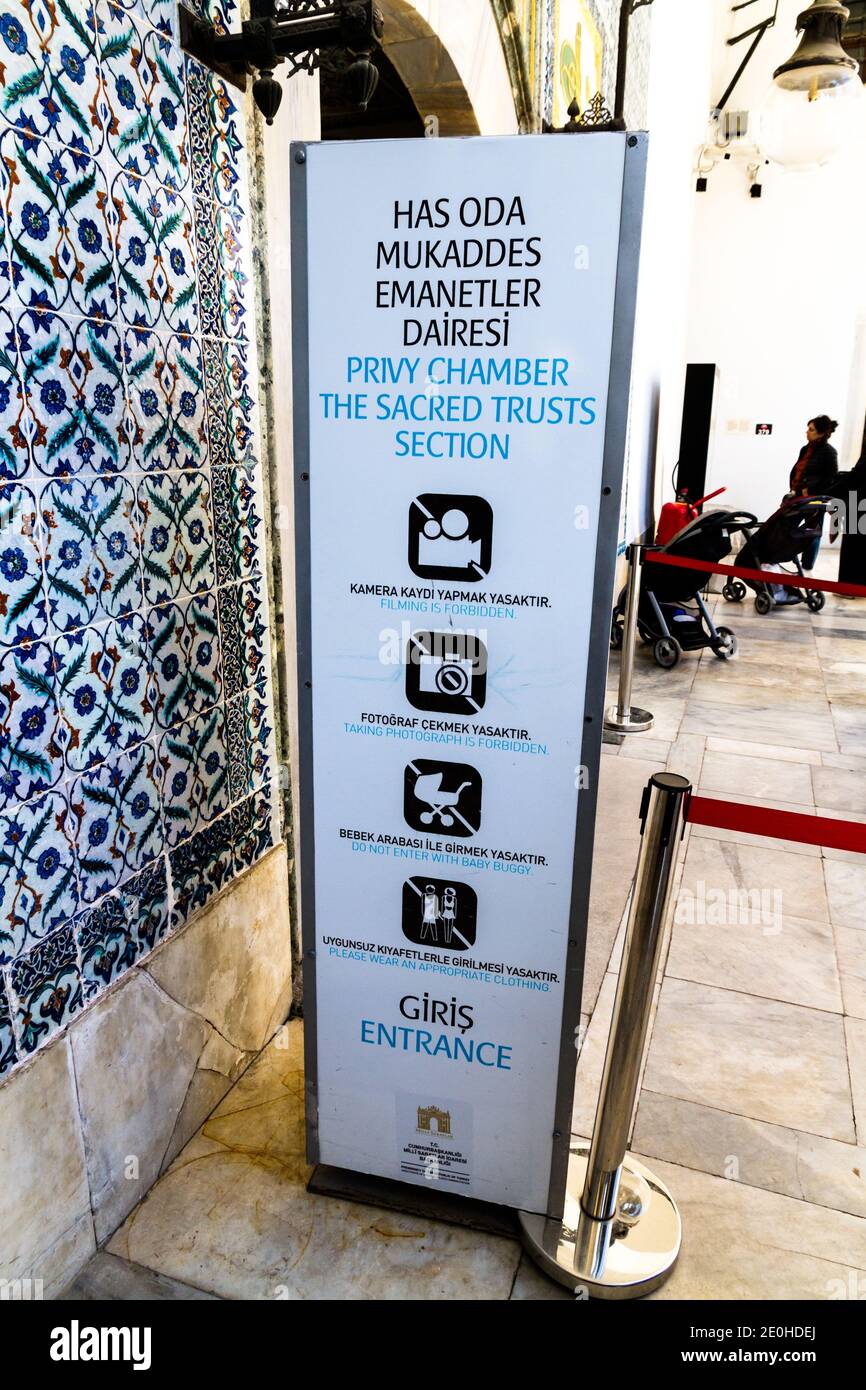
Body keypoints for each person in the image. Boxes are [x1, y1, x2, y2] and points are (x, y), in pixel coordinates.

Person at [788, 415, 839, 571]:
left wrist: (810, 489)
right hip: (797, 496)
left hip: (814, 498)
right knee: (786, 526)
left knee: (812, 531)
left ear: (821, 433)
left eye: (811, 430)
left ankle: (807, 565)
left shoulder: (829, 452)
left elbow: (831, 478)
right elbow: (799, 470)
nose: (807, 432)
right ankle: (784, 556)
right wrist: (794, 489)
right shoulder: (805, 449)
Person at [829, 447, 866, 593]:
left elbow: (855, 477)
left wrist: (831, 492)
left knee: (853, 548)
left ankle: (849, 586)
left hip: (859, 505)